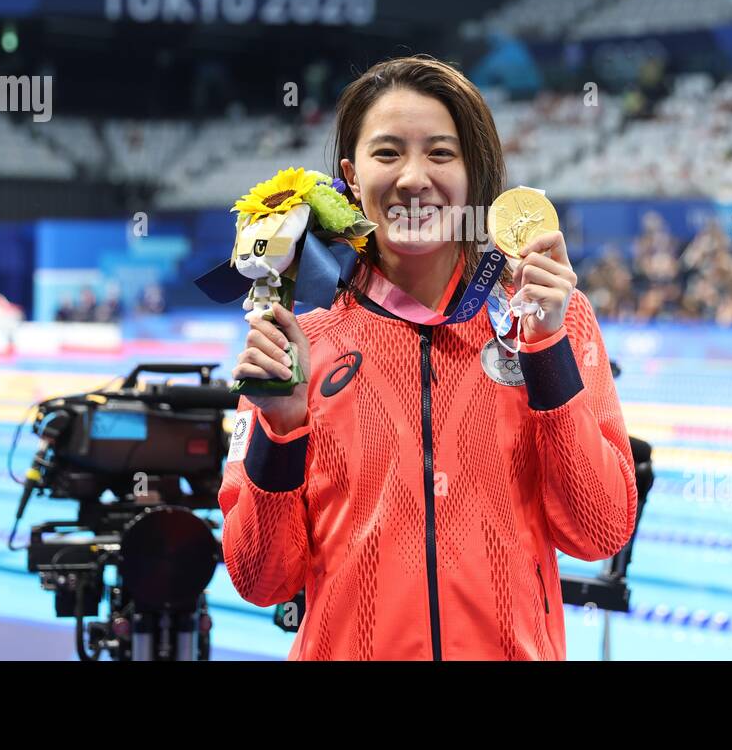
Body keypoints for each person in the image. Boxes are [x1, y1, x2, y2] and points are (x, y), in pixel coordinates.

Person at [218, 55, 638, 660]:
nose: (415, 177)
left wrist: (545, 350)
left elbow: (597, 530)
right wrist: (280, 430)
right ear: (351, 176)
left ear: (475, 176)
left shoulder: (552, 317)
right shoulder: (299, 333)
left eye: (441, 153)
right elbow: (261, 580)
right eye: (387, 153)